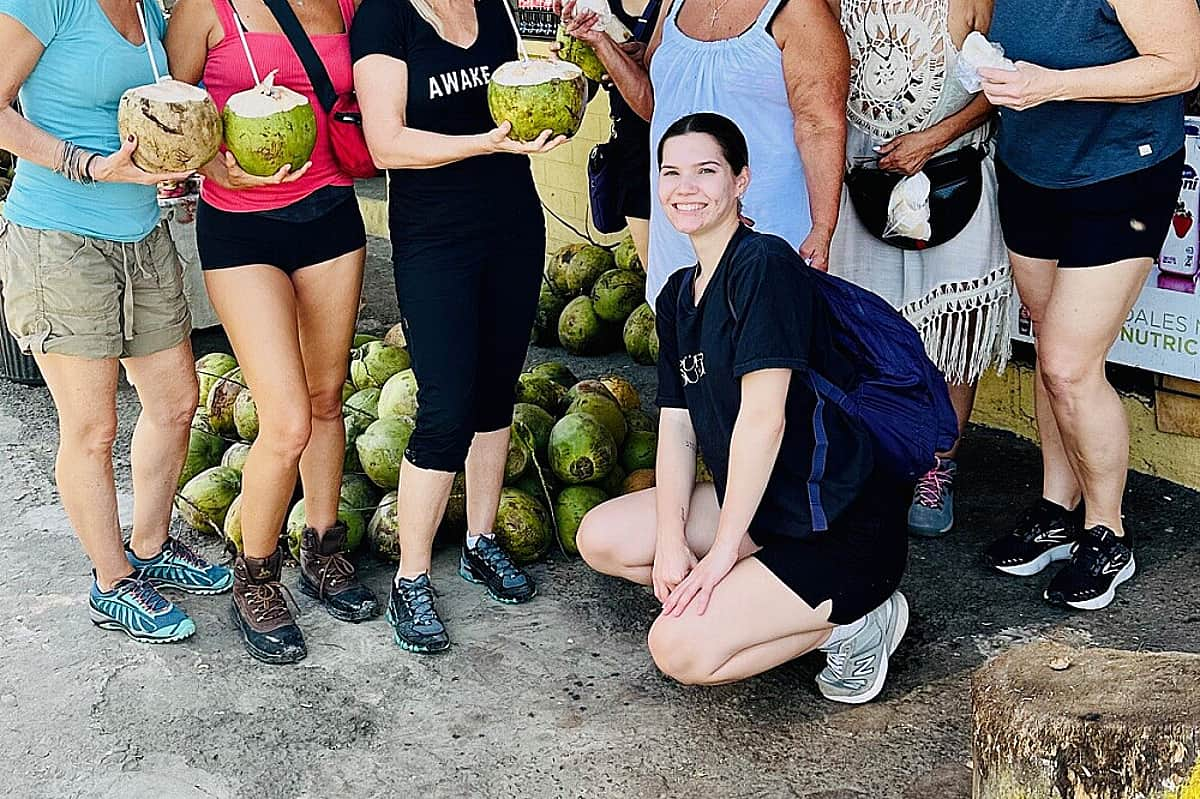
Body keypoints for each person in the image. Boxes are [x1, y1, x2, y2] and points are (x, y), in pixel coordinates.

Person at [576, 113, 909, 703]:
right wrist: (674, 538)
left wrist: (721, 554)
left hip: (838, 524)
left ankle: (857, 623)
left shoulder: (764, 266)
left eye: (707, 171)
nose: (687, 188)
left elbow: (765, 417)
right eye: (672, 172)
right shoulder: (680, 292)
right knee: (602, 536)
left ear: (740, 181)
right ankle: (764, 599)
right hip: (763, 512)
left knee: (678, 649)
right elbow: (676, 427)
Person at [0, 0, 231, 643]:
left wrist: (197, 162)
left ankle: (152, 545)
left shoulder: (152, 10)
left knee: (176, 402)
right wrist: (91, 166)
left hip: (144, 236)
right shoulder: (46, 4)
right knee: (93, 427)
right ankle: (112, 581)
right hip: (60, 240)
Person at [165, 0, 378, 665]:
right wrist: (209, 165)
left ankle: (322, 549)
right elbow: (173, 117)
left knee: (324, 398)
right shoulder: (206, 9)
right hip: (242, 228)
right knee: (285, 421)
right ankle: (254, 575)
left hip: (332, 212)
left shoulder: (347, 4)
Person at [352, 0, 567, 653]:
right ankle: (411, 578)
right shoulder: (384, 17)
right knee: (446, 406)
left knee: (497, 391)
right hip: (436, 236)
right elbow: (384, 141)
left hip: (512, 221)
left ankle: (479, 540)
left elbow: (512, 97)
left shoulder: (492, 6)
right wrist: (485, 142)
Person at [979, 0, 1200, 610]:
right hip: (1029, 167)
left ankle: (1108, 533)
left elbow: (1182, 66)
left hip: (1119, 174)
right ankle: (1056, 507)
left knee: (1069, 365)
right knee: (1052, 354)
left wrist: (1053, 85)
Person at [829, 0, 1011, 537]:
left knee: (957, 330)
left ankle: (938, 463)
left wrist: (932, 139)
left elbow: (999, 88)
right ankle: (877, 460)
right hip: (864, 181)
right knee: (864, 332)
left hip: (954, 176)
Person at [559, 0, 848, 299]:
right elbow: (656, 104)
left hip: (765, 233)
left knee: (762, 333)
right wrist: (599, 40)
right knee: (683, 333)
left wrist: (822, 228)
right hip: (681, 229)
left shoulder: (798, 10)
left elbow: (820, 126)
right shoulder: (674, 4)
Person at [554, 0, 662, 268]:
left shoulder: (676, 6)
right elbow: (586, 89)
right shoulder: (596, 8)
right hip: (634, 150)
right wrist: (563, 72)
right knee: (658, 274)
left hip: (685, 143)